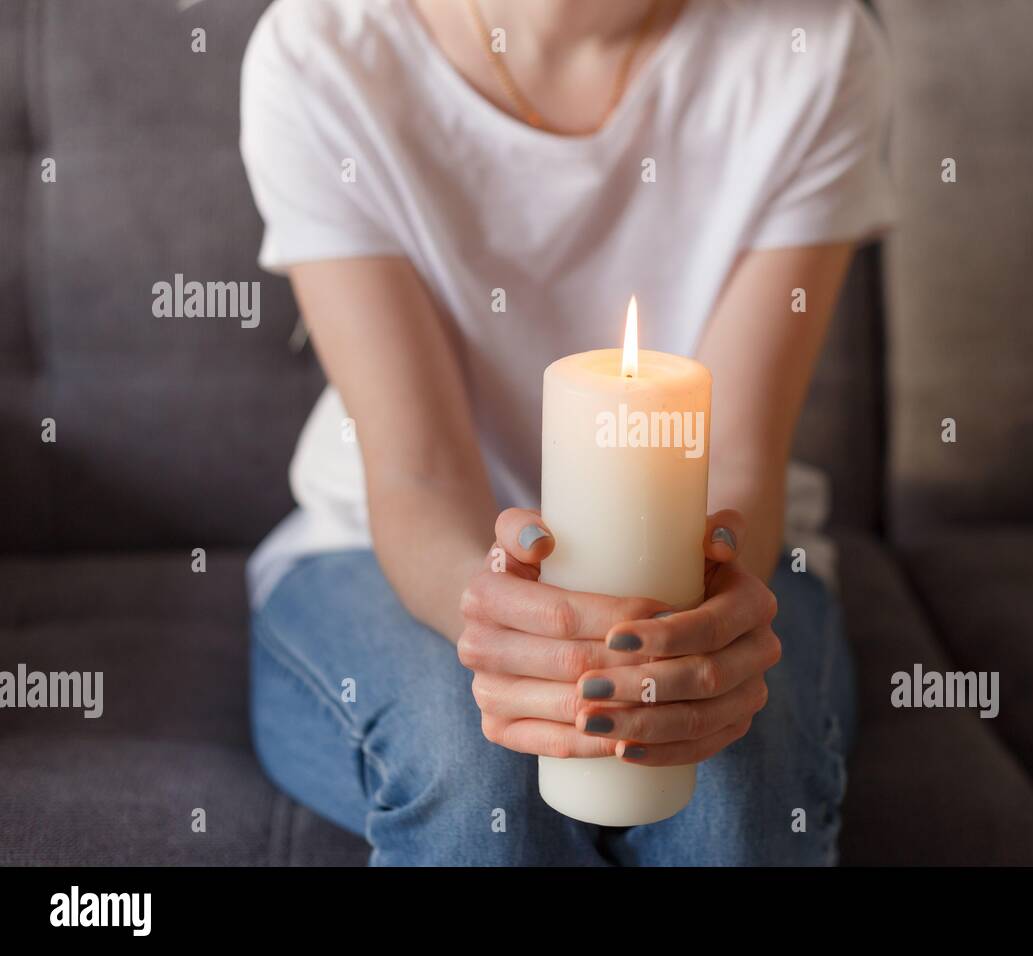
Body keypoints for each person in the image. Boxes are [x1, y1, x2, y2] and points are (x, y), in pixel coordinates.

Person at [239, 0, 893, 865]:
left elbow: (735, 456)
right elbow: (420, 474)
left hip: (707, 556)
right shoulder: (325, 49)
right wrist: (510, 629)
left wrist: (706, 606)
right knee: (479, 781)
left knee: (730, 806)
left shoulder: (816, 46)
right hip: (383, 546)